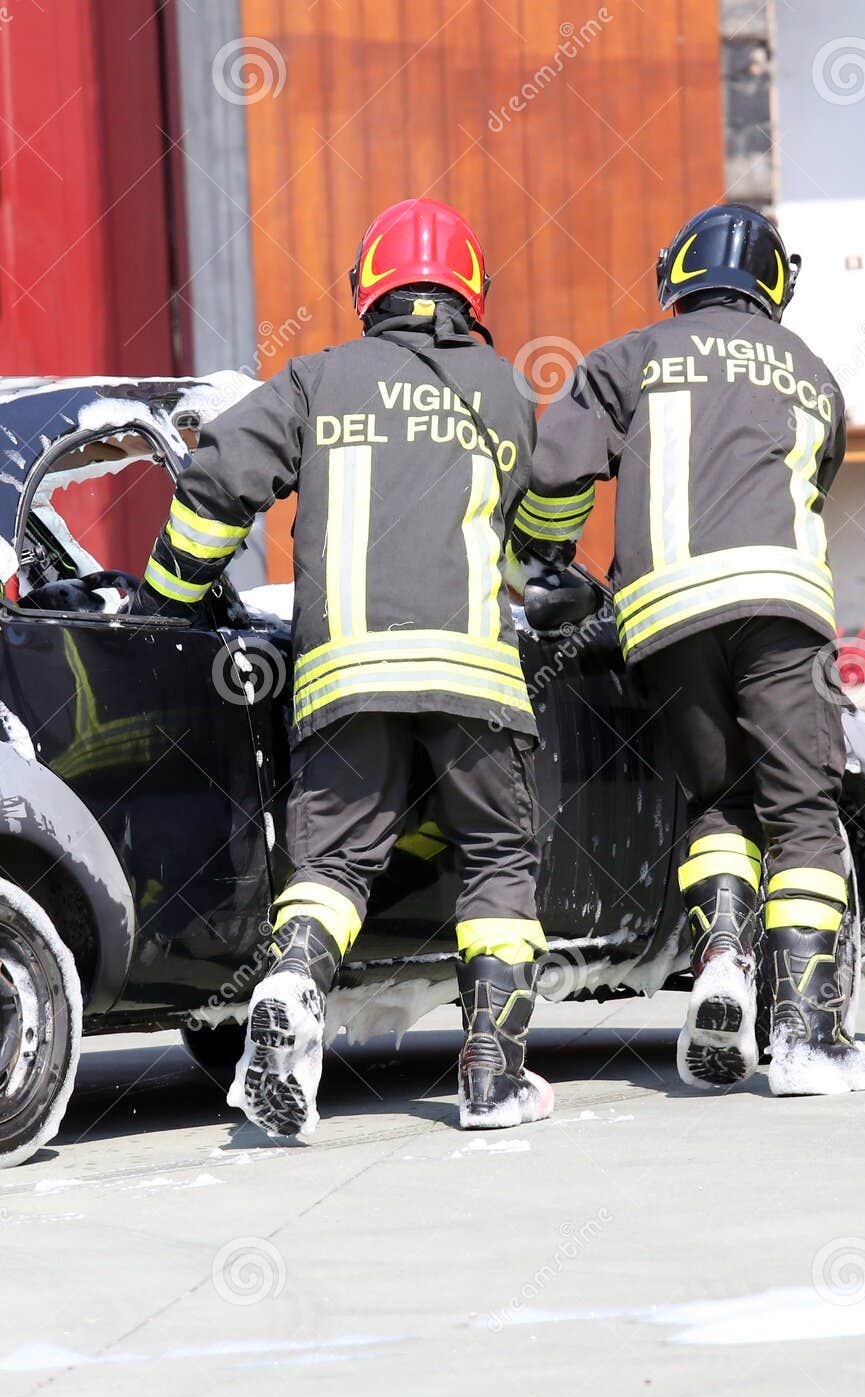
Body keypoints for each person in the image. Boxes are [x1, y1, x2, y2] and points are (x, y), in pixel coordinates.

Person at [133, 197, 552, 1138]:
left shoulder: (316, 379)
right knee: (496, 856)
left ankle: (290, 986)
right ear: (471, 289)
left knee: (331, 865)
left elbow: (218, 479)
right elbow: (533, 540)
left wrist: (171, 596)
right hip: (475, 679)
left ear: (368, 288)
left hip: (343, 677)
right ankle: (492, 1077)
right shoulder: (503, 391)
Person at [512, 203, 865, 1097]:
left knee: (717, 801)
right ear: (774, 286)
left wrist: (551, 557)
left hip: (665, 620)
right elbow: (810, 484)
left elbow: (555, 475)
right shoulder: (813, 374)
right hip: (781, 610)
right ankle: (806, 1036)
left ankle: (721, 956)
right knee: (801, 815)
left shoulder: (628, 358)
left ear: (677, 273)